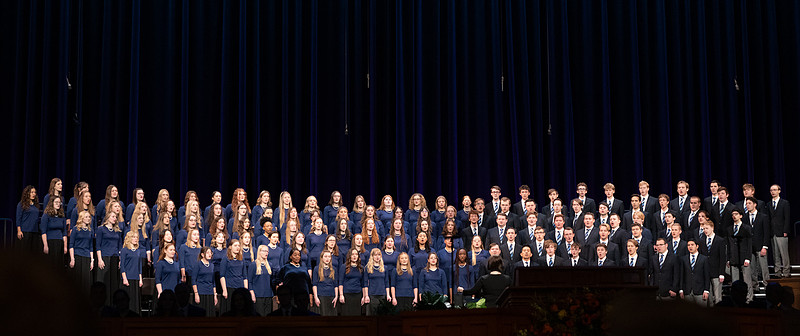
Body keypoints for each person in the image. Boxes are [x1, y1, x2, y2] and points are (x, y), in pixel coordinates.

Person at [727, 210, 755, 302]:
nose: (734, 216)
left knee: (747, 280)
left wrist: (748, 258)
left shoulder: (746, 228)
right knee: (735, 281)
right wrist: (728, 259)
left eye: (736, 214)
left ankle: (749, 299)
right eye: (733, 214)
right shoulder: (729, 229)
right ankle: (736, 300)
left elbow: (749, 244)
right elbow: (728, 245)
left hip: (743, 257)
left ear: (741, 216)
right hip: (733, 258)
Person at [96, 212, 123, 303]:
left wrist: (120, 259)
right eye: (112, 216)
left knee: (113, 283)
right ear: (107, 217)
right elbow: (98, 246)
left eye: (116, 217)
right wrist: (99, 259)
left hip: (114, 258)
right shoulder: (101, 229)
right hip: (104, 257)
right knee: (104, 281)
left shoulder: (118, 231)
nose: (115, 218)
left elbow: (120, 246)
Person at [698, 221, 726, 305]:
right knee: (708, 296)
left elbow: (722, 258)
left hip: (716, 272)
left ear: (712, 228)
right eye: (703, 229)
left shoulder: (720, 240)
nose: (705, 230)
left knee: (717, 297)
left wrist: (722, 273)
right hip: (706, 273)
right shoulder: (701, 240)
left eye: (707, 228)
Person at [744, 197, 770, 286]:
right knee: (752, 268)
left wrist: (765, 247)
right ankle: (755, 286)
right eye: (746, 203)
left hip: (760, 246)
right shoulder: (744, 217)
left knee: (763, 268)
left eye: (749, 203)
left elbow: (766, 233)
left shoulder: (763, 217)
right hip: (750, 247)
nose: (747, 205)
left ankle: (767, 285)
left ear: (755, 204)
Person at [768, 184, 791, 278]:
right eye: (771, 190)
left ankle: (786, 271)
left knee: (783, 253)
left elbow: (787, 218)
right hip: (773, 232)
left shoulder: (784, 203)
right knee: (775, 254)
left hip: (781, 232)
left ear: (779, 191)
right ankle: (777, 272)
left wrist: (785, 230)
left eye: (774, 190)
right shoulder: (769, 204)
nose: (772, 192)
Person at [220, 239, 248, 315]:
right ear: (230, 247)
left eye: (239, 245)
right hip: (230, 287)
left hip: (240, 287)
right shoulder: (225, 259)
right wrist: (224, 290)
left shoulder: (242, 258)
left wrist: (246, 290)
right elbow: (222, 276)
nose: (237, 247)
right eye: (235, 245)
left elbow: (245, 276)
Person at [70, 211, 95, 293]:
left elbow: (91, 246)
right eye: (86, 217)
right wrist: (72, 258)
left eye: (89, 217)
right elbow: (71, 245)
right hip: (78, 255)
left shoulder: (90, 231)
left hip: (86, 256)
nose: (88, 219)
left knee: (86, 281)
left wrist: (92, 260)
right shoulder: (75, 229)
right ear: (81, 218)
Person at [679, 239, 710, 306]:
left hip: (700, 291)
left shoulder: (704, 259)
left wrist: (706, 290)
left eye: (692, 245)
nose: (690, 247)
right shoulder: (683, 259)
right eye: (688, 245)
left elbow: (707, 276)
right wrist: (681, 290)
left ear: (697, 246)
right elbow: (681, 275)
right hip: (687, 291)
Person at [120, 231, 144, 314]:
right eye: (133, 237)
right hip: (128, 278)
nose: (136, 239)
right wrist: (124, 278)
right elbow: (122, 266)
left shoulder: (138, 251)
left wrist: (140, 279)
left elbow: (139, 266)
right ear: (129, 238)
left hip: (136, 278)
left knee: (135, 299)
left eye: (137, 237)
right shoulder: (124, 250)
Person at [40, 196, 68, 269]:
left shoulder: (62, 216)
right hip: (50, 242)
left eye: (59, 202)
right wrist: (45, 245)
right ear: (51, 203)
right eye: (56, 202)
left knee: (59, 265)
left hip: (60, 243)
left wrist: (65, 246)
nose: (58, 204)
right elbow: (43, 231)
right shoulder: (46, 215)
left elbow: (64, 232)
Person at [338, 248, 366, 316]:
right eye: (352, 254)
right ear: (349, 256)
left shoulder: (361, 268)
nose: (354, 256)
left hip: (358, 295)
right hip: (347, 295)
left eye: (356, 254)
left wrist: (364, 296)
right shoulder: (344, 267)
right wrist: (341, 295)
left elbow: (363, 284)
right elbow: (340, 282)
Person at [249, 245, 274, 316]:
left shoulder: (270, 265)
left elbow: (271, 281)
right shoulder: (253, 265)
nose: (266, 253)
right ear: (259, 252)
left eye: (267, 251)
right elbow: (250, 281)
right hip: (258, 295)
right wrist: (252, 293)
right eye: (264, 251)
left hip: (268, 295)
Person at [363, 248, 390, 315]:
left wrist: (388, 295)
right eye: (375, 255)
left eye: (379, 255)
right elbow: (365, 283)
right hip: (372, 294)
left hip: (382, 294)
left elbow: (386, 282)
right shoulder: (367, 268)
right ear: (372, 256)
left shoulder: (385, 268)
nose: (377, 257)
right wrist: (366, 295)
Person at [192, 246, 218, 316]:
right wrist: (196, 293)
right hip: (201, 292)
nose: (210, 254)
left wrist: (215, 295)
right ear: (202, 254)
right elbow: (193, 280)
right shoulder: (198, 264)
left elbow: (213, 282)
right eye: (207, 252)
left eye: (211, 252)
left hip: (210, 293)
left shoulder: (212, 265)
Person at [16, 185, 41, 255]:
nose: (34, 194)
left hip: (35, 232)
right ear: (27, 193)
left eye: (34, 192)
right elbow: (18, 218)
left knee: (33, 253)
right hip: (25, 231)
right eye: (31, 192)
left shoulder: (36, 205)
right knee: (24, 253)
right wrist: (19, 230)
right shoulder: (21, 204)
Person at [312, 250, 338, 316]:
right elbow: (314, 284)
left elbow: (336, 285)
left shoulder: (334, 269)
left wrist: (336, 296)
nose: (327, 258)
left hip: (331, 296)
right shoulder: (316, 269)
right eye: (325, 256)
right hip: (321, 296)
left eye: (329, 256)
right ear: (322, 258)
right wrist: (316, 297)